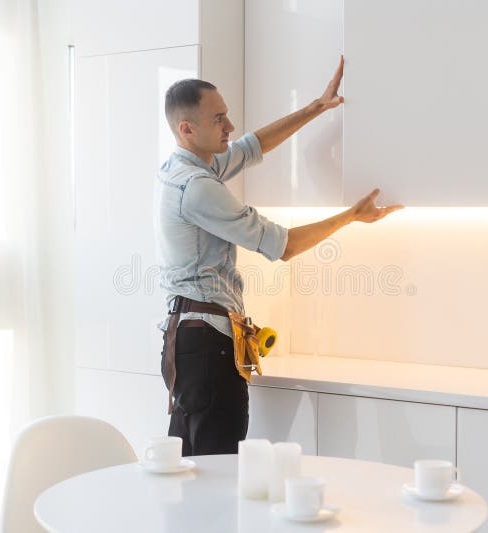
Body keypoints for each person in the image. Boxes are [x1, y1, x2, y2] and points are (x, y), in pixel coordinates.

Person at [154, 57, 402, 456]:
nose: (229, 126)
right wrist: (352, 216)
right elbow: (283, 246)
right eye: (218, 119)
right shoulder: (197, 187)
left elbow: (251, 147)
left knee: (192, 465)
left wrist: (316, 107)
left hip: (190, 338)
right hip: (207, 345)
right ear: (187, 129)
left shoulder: (181, 166)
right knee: (218, 468)